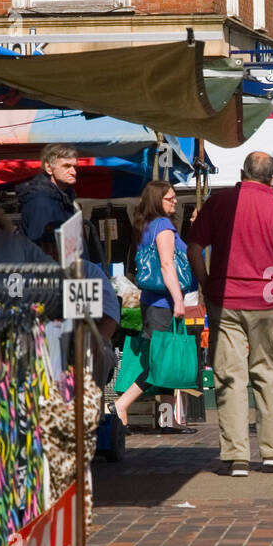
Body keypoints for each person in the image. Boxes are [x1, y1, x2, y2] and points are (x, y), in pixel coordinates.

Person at [188, 151, 273, 477]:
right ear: (271, 178)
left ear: (243, 172)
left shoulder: (218, 202)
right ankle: (272, 451)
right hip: (267, 302)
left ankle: (237, 455)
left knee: (230, 377)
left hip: (224, 299)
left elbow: (194, 248)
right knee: (268, 375)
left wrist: (206, 282)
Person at [112, 181, 188, 427]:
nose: (174, 201)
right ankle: (121, 404)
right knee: (161, 360)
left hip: (150, 301)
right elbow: (167, 266)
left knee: (161, 358)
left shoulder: (146, 227)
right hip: (163, 302)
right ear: (157, 200)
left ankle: (167, 420)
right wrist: (177, 298)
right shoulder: (164, 226)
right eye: (170, 198)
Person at [16, 143, 104, 262]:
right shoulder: (41, 203)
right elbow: (41, 252)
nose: (73, 172)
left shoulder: (64, 199)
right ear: (48, 168)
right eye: (66, 166)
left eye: (75, 167)